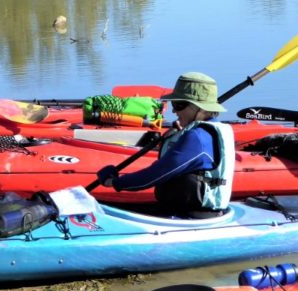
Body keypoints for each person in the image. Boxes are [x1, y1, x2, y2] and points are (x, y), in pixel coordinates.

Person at [96, 72, 235, 218]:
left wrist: (113, 182)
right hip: (191, 212)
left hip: (191, 217)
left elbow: (154, 176)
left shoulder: (197, 138)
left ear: (200, 108)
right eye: (174, 104)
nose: (174, 110)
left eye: (179, 104)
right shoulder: (208, 131)